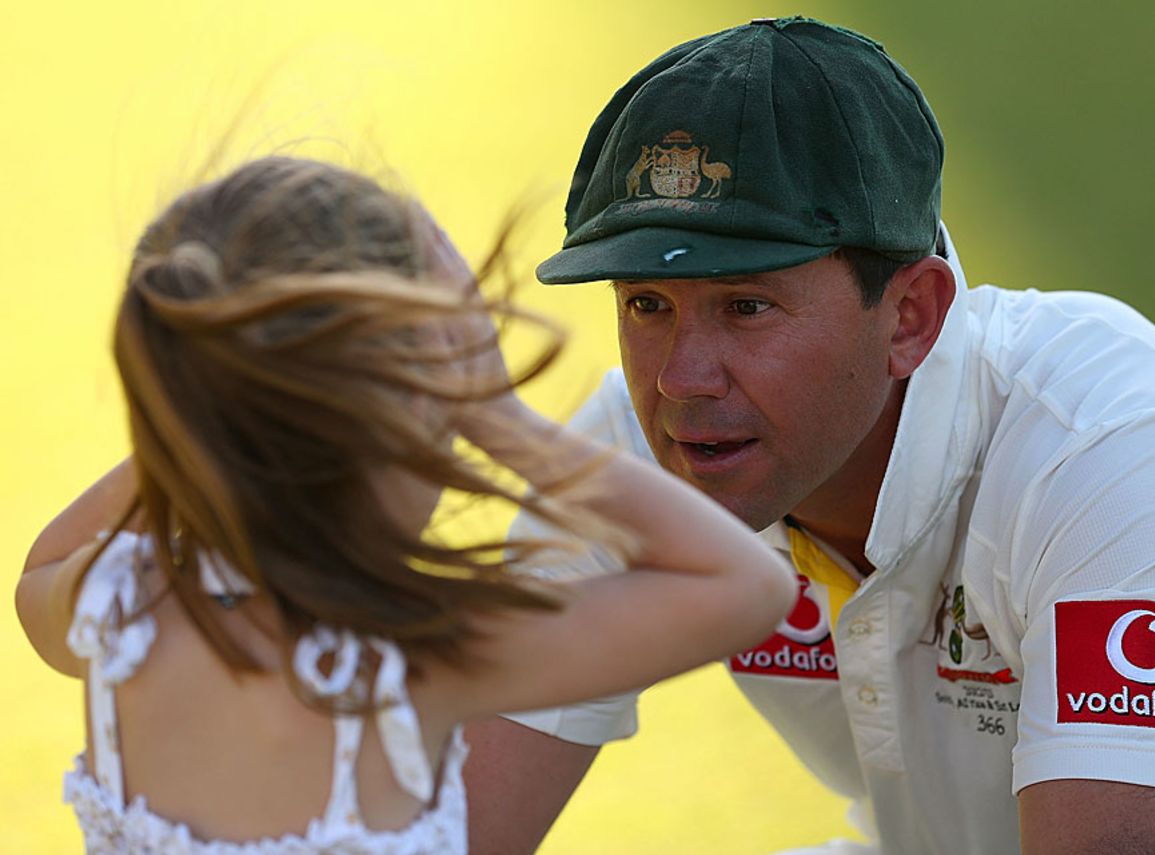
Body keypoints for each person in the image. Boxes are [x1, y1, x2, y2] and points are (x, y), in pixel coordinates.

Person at [461, 16, 1155, 855]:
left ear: (911, 316)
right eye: (647, 304)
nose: (680, 379)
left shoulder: (1107, 449)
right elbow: (443, 834)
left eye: (746, 306)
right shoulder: (634, 453)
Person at [15, 156, 797, 853]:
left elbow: (38, 571)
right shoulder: (412, 654)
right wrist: (498, 415)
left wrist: (200, 408)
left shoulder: (117, 609)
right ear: (408, 420)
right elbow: (746, 583)